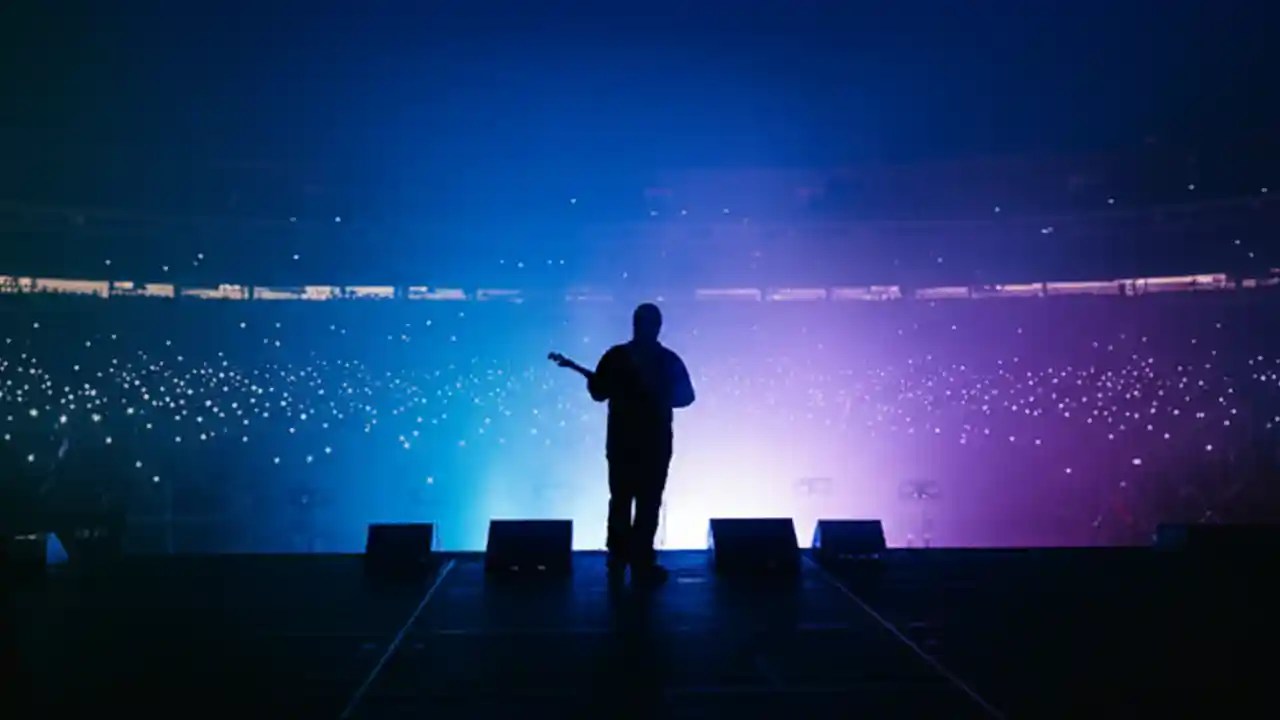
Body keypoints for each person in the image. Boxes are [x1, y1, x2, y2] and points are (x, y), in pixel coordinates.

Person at [587, 303, 695, 584]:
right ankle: (639, 559)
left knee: (624, 499)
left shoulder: (616, 356)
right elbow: (686, 397)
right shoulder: (667, 360)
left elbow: (598, 392)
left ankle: (620, 557)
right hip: (652, 443)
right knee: (645, 502)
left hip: (627, 441)